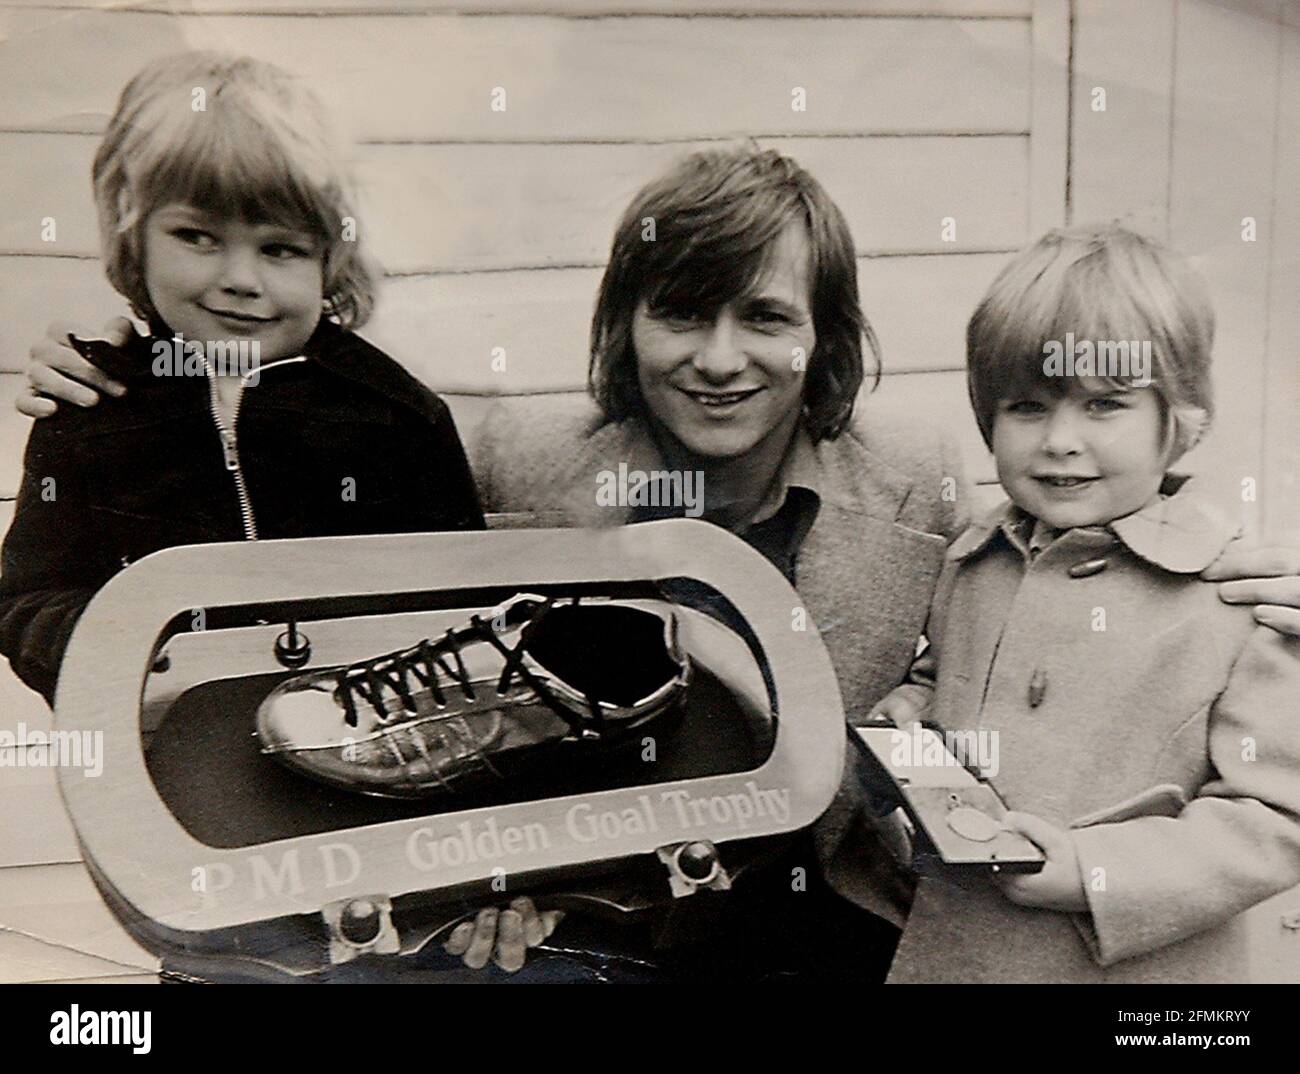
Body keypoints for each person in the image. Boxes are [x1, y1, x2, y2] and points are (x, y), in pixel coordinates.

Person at [17, 147, 1300, 978]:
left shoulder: (919, 487)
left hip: (837, 937)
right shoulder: (516, 462)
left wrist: (1246, 579)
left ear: (824, 339)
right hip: (590, 930)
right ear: (623, 329)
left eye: (765, 317)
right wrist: (133, 375)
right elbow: (340, 573)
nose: (718, 356)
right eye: (679, 312)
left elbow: (1056, 585)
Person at [873, 225, 1300, 982]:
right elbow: (943, 684)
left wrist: (1093, 872)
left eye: (1105, 405)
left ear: (1182, 420)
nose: (1061, 440)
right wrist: (910, 725)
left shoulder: (1238, 590)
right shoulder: (976, 561)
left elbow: (1275, 818)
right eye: (1029, 407)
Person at [0, 51, 484, 706]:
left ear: (329, 260)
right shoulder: (89, 401)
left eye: (279, 248)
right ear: (133, 236)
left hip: (364, 743)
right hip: (160, 744)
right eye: (197, 236)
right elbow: (26, 600)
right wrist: (131, 649)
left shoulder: (395, 413)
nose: (241, 279)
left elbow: (468, 600)